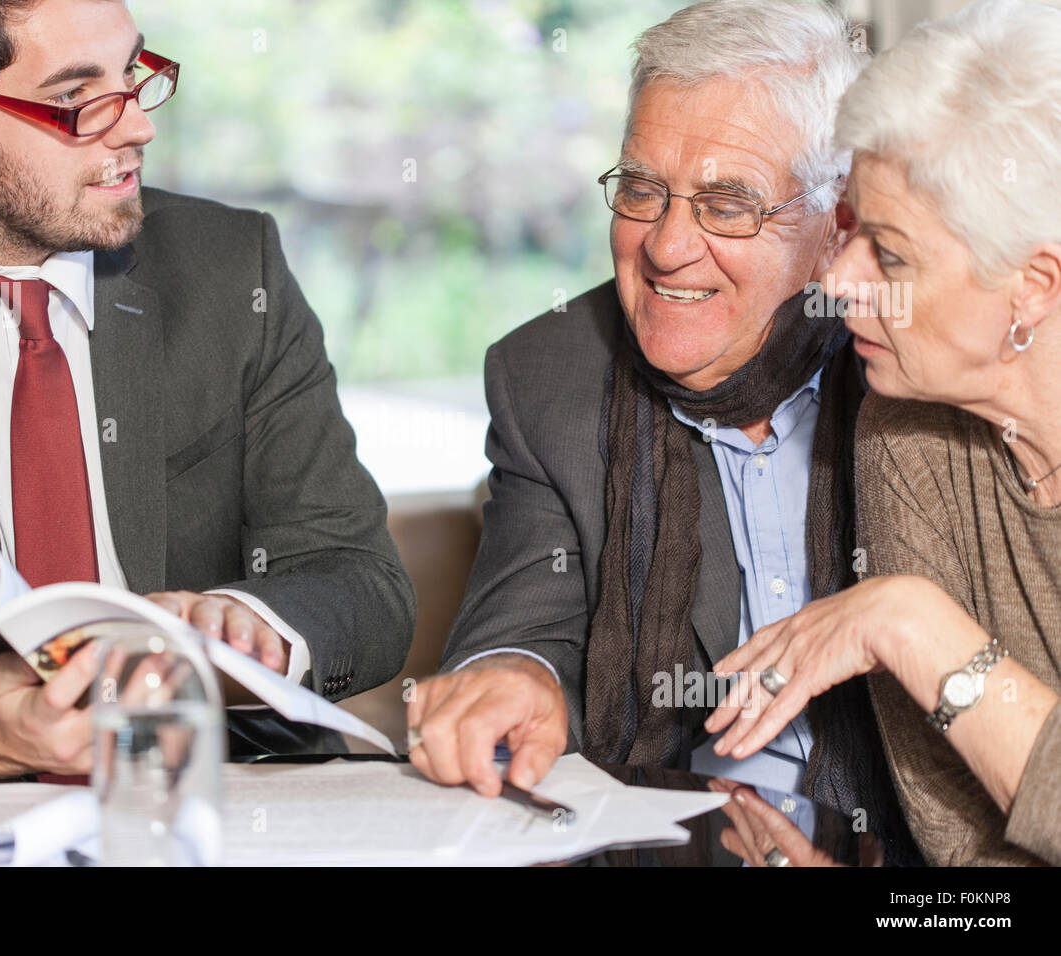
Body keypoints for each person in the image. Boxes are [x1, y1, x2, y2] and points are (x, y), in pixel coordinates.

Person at [0, 0, 413, 784]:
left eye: (133, 75)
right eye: (76, 99)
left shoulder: (236, 272)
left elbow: (360, 579)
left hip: (225, 800)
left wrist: (256, 628)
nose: (137, 126)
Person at [406, 0, 915, 859]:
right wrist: (510, 678)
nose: (667, 246)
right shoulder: (549, 375)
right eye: (642, 190)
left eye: (727, 204)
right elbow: (523, 632)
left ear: (837, 227)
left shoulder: (916, 366)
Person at [705, 0, 1061, 866]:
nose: (838, 280)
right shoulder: (902, 427)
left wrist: (911, 624)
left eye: (890, 255)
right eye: (852, 229)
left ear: (1033, 288)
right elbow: (961, 851)